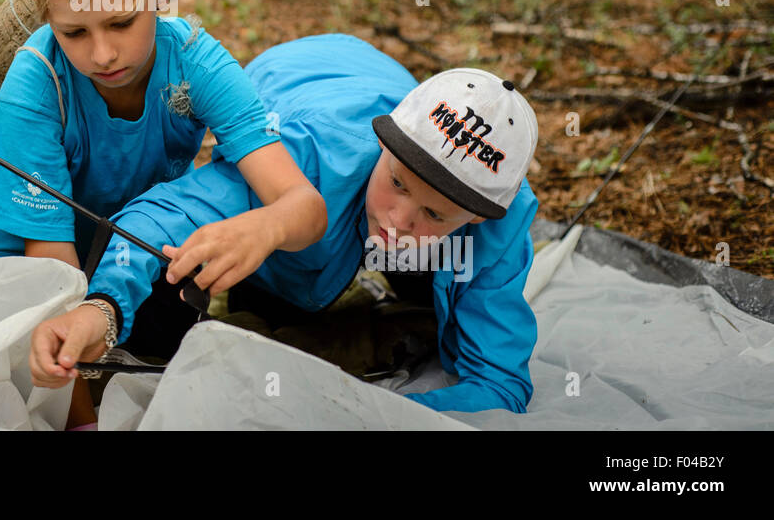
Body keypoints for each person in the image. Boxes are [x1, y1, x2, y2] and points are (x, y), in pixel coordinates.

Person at [0, 0, 325, 425]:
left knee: (179, 303)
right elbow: (48, 285)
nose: (103, 54)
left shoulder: (196, 63)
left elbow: (305, 207)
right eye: (74, 33)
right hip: (26, 277)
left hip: (121, 257)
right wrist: (81, 418)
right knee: (24, 363)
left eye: (122, 23)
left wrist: (267, 226)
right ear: (40, 8)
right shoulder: (38, 83)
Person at [29, 34, 543, 414]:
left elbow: (499, 384)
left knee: (437, 285)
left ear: (478, 214)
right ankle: (274, 282)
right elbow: (165, 214)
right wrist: (103, 308)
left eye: (435, 213)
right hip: (298, 82)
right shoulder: (309, 152)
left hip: (369, 77)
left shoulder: (501, 215)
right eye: (399, 182)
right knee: (195, 294)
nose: (398, 218)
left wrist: (373, 418)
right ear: (383, 145)